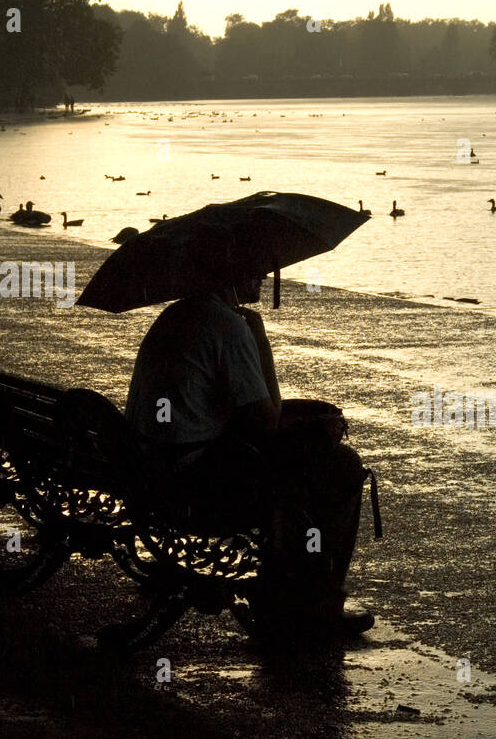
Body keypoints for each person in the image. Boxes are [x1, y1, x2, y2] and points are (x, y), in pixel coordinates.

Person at [124, 271, 374, 638]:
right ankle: (315, 603)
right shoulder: (228, 325)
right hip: (187, 490)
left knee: (293, 463)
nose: (264, 275)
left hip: (147, 472)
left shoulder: (175, 315)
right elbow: (267, 421)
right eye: (255, 265)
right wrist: (261, 342)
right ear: (230, 269)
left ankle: (288, 589)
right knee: (339, 465)